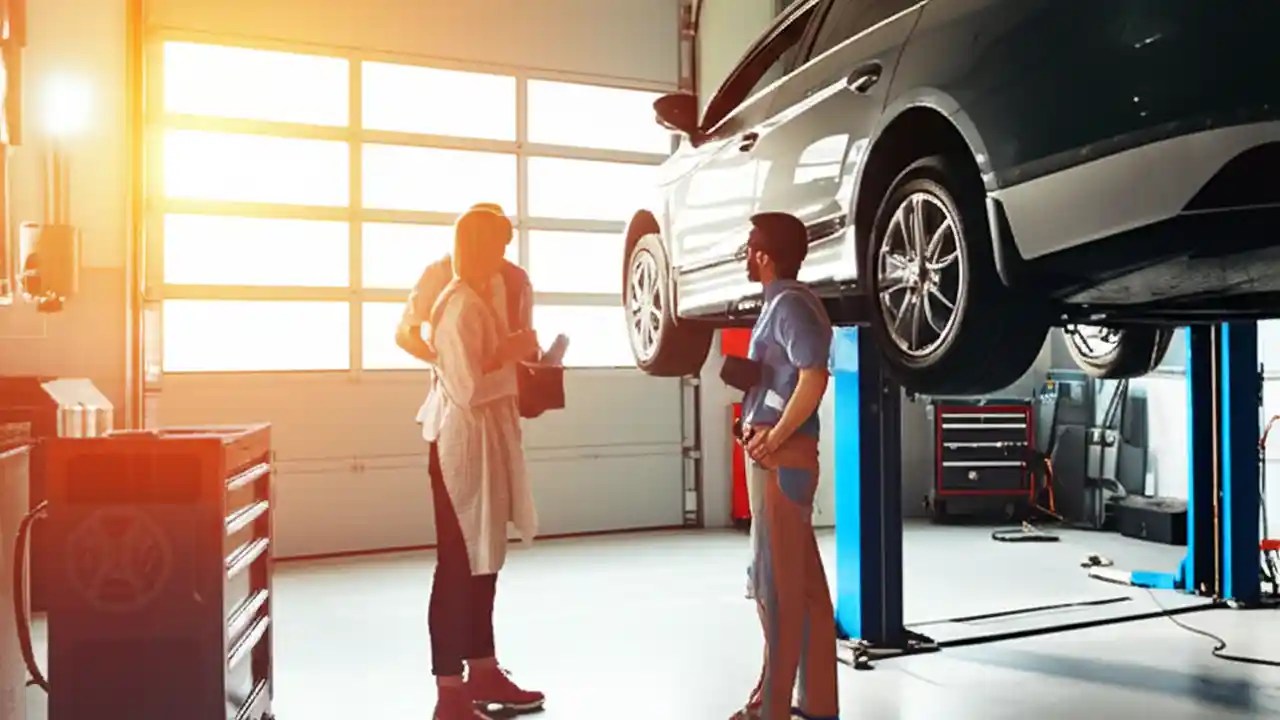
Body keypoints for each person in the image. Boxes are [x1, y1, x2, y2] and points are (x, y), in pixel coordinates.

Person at [396, 207, 545, 720]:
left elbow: (488, 358)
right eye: (497, 245)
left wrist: (514, 354)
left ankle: (482, 669)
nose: (504, 256)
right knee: (459, 565)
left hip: (485, 440)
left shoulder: (497, 287)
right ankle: (449, 690)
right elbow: (466, 385)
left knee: (484, 558)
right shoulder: (455, 300)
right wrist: (510, 361)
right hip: (459, 444)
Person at [734, 212, 839, 720]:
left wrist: (773, 437)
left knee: (776, 588)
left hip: (780, 459)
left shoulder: (789, 305)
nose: (745, 254)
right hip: (780, 454)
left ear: (764, 256)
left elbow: (813, 377)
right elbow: (790, 377)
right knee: (805, 587)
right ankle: (817, 703)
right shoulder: (785, 303)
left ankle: (771, 708)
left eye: (750, 247)